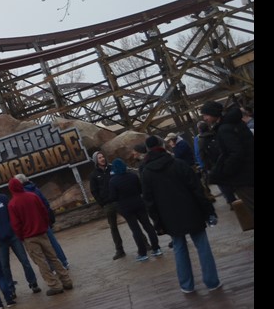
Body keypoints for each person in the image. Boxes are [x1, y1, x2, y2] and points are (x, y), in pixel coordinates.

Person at [140, 135, 222, 294]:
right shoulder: (178, 164)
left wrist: (158, 224)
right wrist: (208, 211)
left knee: (179, 248)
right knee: (202, 246)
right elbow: (197, 190)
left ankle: (187, 285)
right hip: (192, 211)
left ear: (148, 150)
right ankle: (212, 281)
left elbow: (149, 202)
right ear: (162, 145)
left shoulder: (146, 173)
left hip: (169, 217)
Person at [6, 177, 73, 296]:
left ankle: (54, 285)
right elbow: (43, 211)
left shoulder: (12, 204)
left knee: (41, 262)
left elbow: (16, 224)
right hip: (42, 232)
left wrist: (22, 237)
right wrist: (44, 225)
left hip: (29, 237)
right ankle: (66, 280)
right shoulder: (33, 196)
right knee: (53, 257)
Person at [0, 180, 41, 293]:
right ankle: (11, 288)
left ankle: (33, 282)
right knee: (4, 266)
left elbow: (12, 214)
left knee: (24, 260)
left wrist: (15, 229)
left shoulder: (2, 198)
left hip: (13, 236)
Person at [202, 101, 255, 217]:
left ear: (213, 114)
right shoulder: (235, 123)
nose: (204, 118)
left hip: (243, 177)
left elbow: (235, 153)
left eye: (205, 115)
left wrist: (225, 171)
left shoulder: (224, 129)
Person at [107, 158, 162, 261]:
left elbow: (113, 197)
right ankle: (156, 248)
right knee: (148, 225)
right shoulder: (133, 176)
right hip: (139, 203)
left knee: (135, 230)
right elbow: (140, 189)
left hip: (126, 208)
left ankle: (142, 253)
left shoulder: (113, 181)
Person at [14, 174, 69, 269]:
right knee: (53, 242)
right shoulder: (35, 188)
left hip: (35, 223)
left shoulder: (25, 193)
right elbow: (45, 204)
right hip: (44, 220)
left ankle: (53, 267)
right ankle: (63, 261)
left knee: (44, 247)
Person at [88, 151, 127, 260]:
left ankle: (144, 244)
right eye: (99, 158)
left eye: (103, 157)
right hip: (108, 204)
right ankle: (119, 250)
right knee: (113, 227)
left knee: (131, 221)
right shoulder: (94, 175)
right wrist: (102, 203)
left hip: (119, 201)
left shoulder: (112, 168)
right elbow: (94, 191)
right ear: (96, 160)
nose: (102, 159)